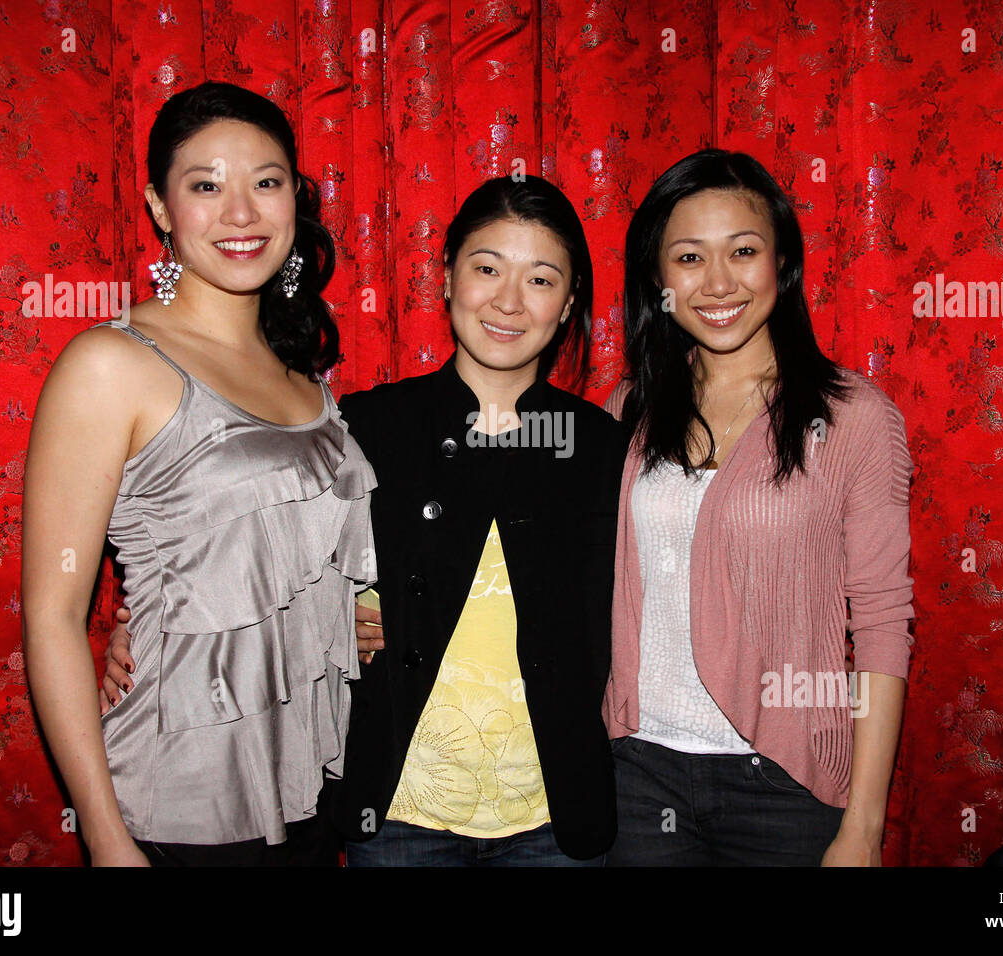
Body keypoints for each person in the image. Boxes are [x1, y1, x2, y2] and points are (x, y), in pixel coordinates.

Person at [104, 174, 627, 866]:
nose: (507, 300)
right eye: (487, 268)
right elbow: (253, 552)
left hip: (553, 821)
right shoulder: (367, 428)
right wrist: (147, 627)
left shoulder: (602, 447)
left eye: (540, 280)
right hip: (401, 813)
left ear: (568, 307)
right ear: (445, 280)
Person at [22, 81, 375, 867]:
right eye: (206, 185)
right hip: (177, 803)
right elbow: (51, 616)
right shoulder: (109, 365)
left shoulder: (304, 377)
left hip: (309, 787)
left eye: (267, 182)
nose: (241, 213)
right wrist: (108, 840)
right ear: (159, 206)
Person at [601, 148, 915, 866]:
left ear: (782, 262)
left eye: (743, 251)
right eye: (688, 258)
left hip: (784, 785)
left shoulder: (853, 418)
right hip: (637, 777)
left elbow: (881, 624)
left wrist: (864, 825)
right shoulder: (626, 412)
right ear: (658, 279)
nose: (718, 282)